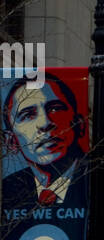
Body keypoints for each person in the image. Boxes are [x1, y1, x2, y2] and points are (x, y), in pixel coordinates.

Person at [2, 74, 89, 213]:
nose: (45, 123)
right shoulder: (8, 192)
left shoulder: (97, 179)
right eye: (27, 115)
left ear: (80, 124)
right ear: (11, 141)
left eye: (55, 109)